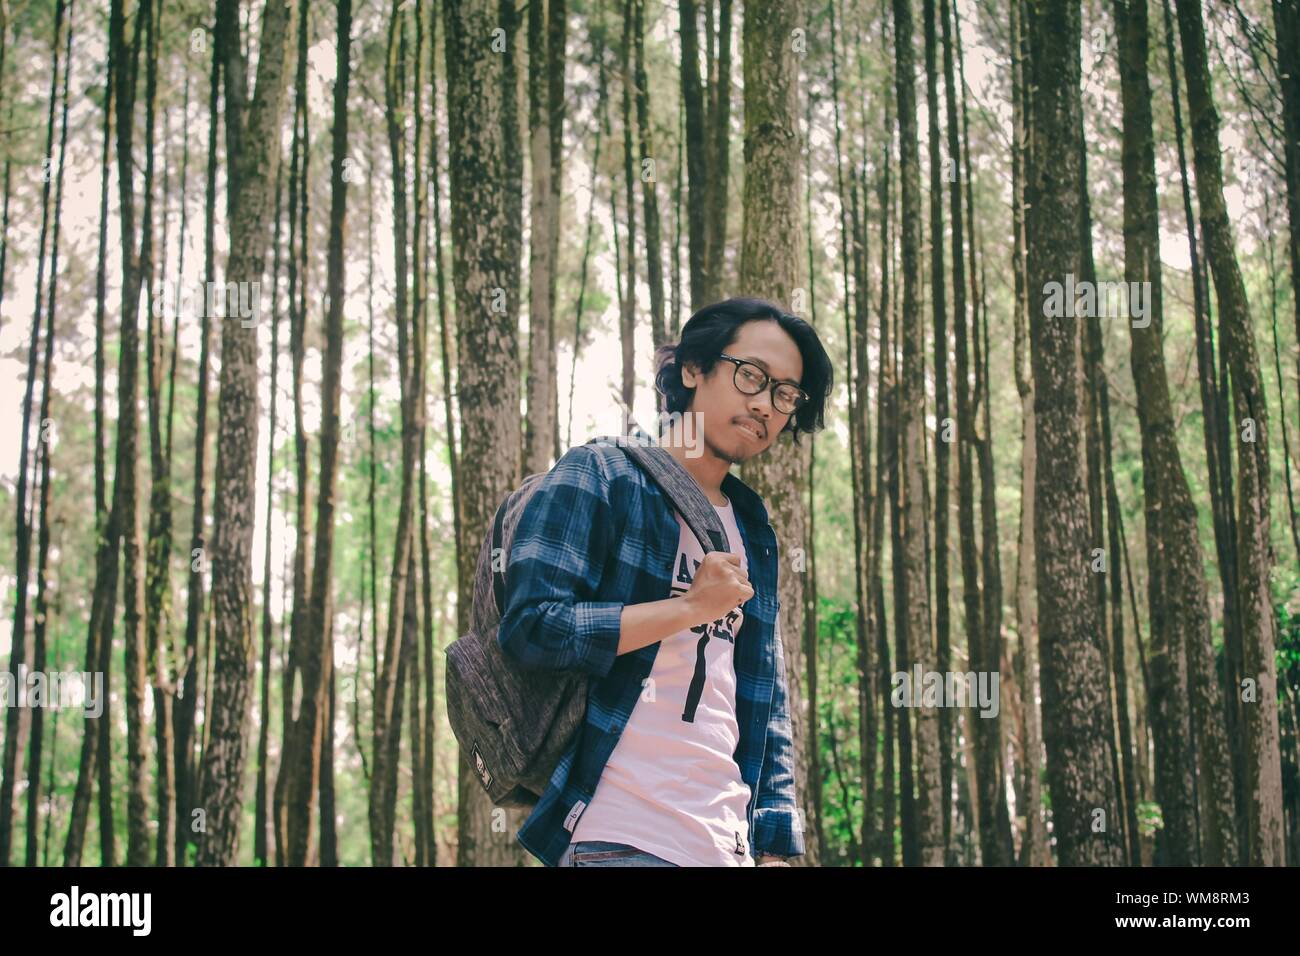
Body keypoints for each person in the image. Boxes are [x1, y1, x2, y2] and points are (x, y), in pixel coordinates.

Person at [497, 296, 833, 867]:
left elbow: (762, 697)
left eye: (785, 394)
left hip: (728, 846)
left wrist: (773, 847)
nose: (765, 404)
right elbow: (532, 629)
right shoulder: (603, 475)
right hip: (621, 833)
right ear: (692, 369)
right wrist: (686, 608)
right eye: (751, 375)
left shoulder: (752, 530)